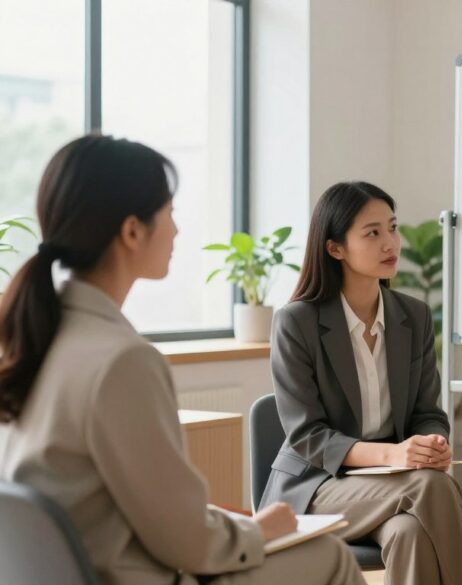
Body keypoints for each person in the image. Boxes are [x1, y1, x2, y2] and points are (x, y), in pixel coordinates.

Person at [0, 134, 365, 585]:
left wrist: (218, 521)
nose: (176, 230)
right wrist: (257, 528)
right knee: (327, 555)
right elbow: (189, 545)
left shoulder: (38, 337)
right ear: (133, 230)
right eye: (169, 213)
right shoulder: (122, 361)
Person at [260, 181, 462, 585]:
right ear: (335, 248)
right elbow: (307, 436)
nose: (391, 243)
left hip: (394, 485)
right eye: (373, 232)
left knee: (410, 531)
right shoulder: (296, 322)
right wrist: (394, 457)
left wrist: (431, 443)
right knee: (430, 487)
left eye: (393, 227)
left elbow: (427, 413)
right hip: (317, 487)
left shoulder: (412, 316)